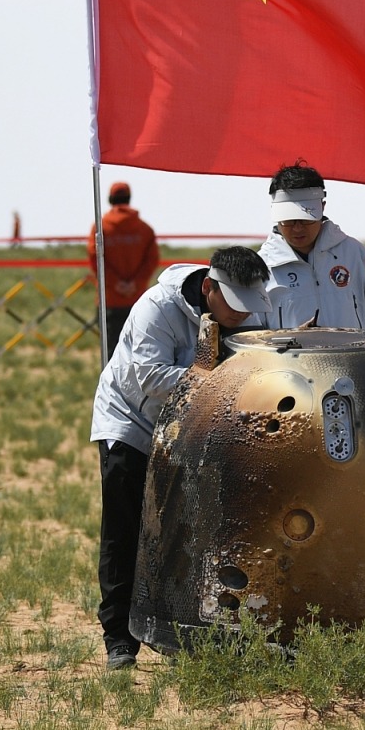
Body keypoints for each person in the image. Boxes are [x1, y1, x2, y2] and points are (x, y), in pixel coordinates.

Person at [88, 246, 269, 670]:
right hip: (132, 423)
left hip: (197, 428)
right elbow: (149, 379)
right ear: (208, 288)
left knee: (200, 529)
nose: (244, 316)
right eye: (235, 306)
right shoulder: (156, 308)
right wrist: (217, 380)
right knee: (126, 528)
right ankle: (119, 640)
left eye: (250, 307)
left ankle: (192, 629)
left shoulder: (250, 314)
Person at [258, 163, 365, 334]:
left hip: (352, 359)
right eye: (289, 220)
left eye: (305, 219)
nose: (297, 228)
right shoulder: (261, 267)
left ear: (322, 207)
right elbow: (255, 337)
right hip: (289, 361)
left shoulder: (354, 253)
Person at [89, 182, 161, 362]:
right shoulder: (145, 229)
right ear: (129, 198)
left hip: (109, 300)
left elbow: (95, 259)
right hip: (138, 300)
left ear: (110, 199)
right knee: (138, 353)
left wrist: (115, 284)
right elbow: (152, 260)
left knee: (111, 354)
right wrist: (135, 283)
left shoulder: (100, 228)